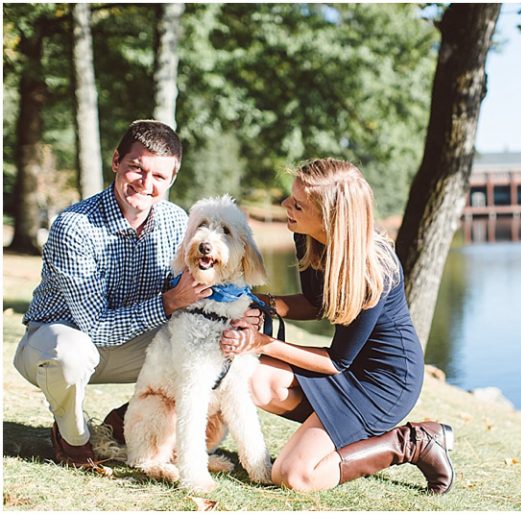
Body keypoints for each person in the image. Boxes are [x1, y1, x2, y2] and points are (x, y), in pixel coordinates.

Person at [13, 120, 260, 468]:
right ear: (116, 161)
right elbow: (96, 327)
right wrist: (170, 302)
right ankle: (72, 438)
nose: (146, 183)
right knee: (71, 352)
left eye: (159, 176)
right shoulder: (75, 226)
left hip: (132, 343)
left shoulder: (177, 221)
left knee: (211, 350)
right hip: (57, 342)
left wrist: (247, 313)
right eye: (137, 168)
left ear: (172, 178)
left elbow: (207, 283)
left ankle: (128, 421)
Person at [219, 158, 454, 494]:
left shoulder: (374, 268)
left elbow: (336, 361)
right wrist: (262, 304)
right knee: (249, 379)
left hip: (384, 383)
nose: (285, 205)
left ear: (331, 218)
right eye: (291, 197)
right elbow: (316, 302)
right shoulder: (307, 235)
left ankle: (411, 442)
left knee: (292, 476)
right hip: (348, 367)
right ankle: (338, 429)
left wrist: (263, 343)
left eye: (298, 204)